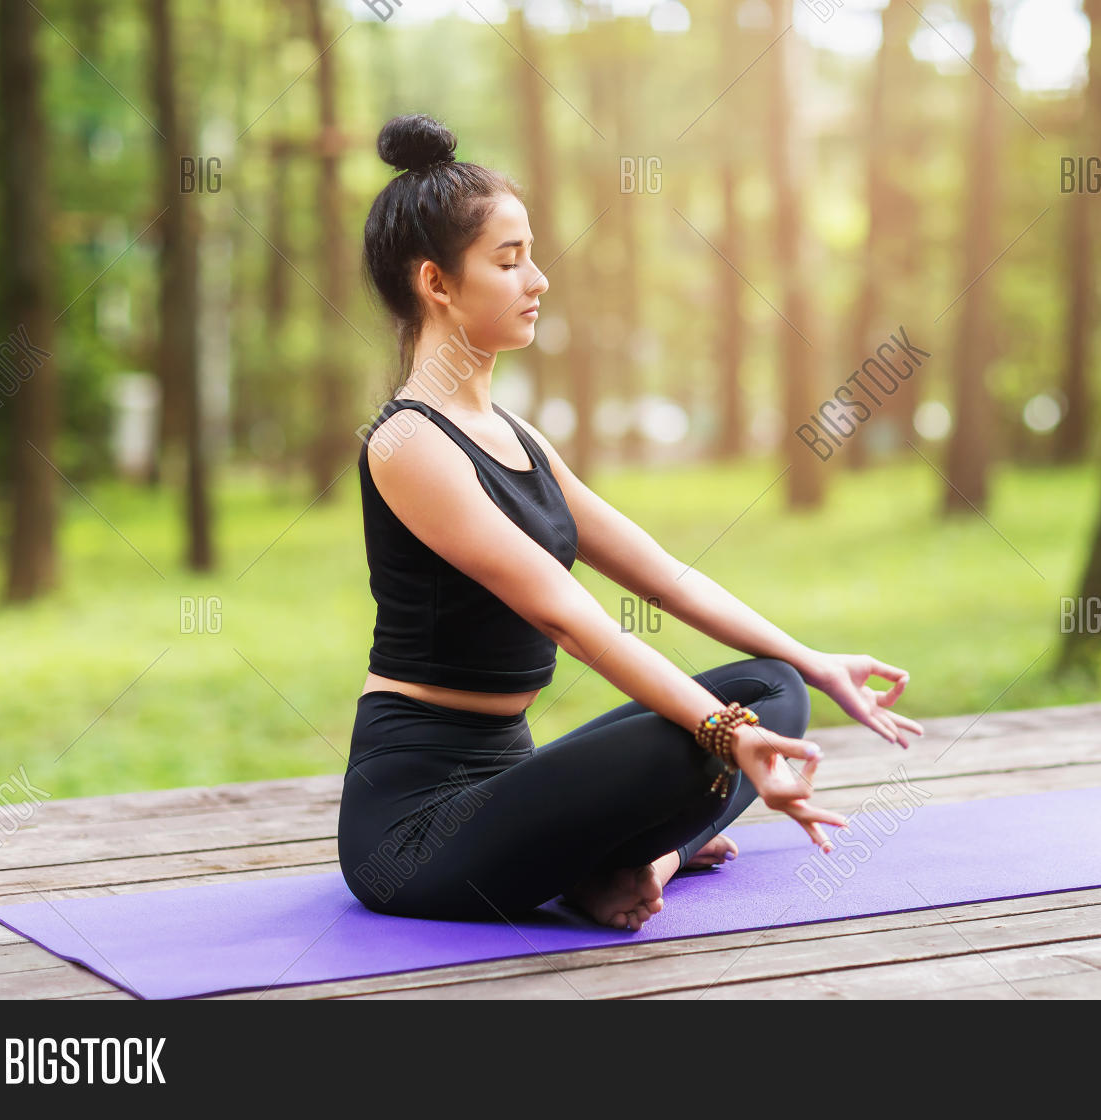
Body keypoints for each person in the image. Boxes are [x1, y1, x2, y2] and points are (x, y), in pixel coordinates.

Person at [338, 113, 922, 931]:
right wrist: (721, 733)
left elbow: (666, 575)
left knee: (773, 691)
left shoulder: (519, 438)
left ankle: (642, 859)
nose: (538, 279)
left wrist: (814, 661)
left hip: (511, 779)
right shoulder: (408, 443)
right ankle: (627, 856)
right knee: (723, 730)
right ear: (437, 284)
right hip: (416, 833)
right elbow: (567, 618)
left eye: (532, 255)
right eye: (510, 262)